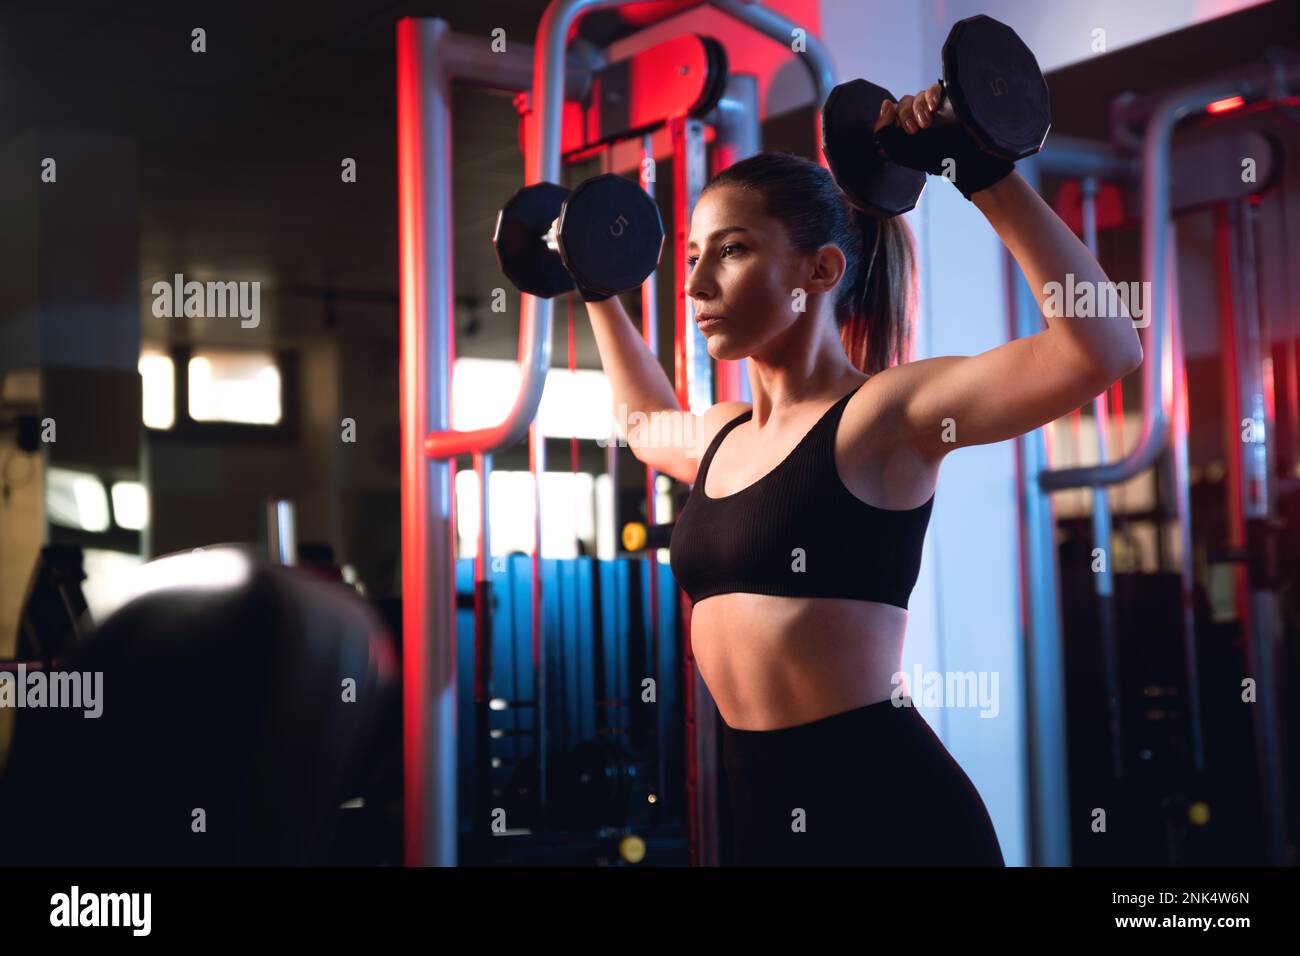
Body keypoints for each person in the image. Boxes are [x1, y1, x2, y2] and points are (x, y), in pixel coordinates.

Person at [582, 83, 1143, 865]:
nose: (696, 283)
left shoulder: (883, 416)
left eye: (733, 250)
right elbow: (643, 425)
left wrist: (982, 172)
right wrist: (598, 286)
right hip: (764, 821)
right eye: (695, 254)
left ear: (819, 270)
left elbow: (1104, 350)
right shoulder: (719, 437)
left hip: (888, 817)